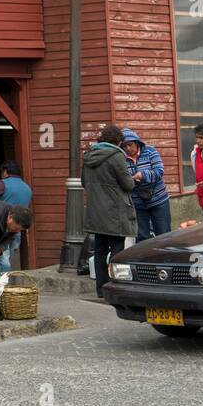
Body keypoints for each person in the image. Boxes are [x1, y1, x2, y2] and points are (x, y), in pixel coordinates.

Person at [83, 124, 136, 298]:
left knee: (99, 251)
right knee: (117, 250)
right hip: (115, 211)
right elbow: (127, 184)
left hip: (96, 210)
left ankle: (101, 289)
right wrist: (133, 179)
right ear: (119, 141)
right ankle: (116, 287)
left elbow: (84, 182)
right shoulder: (117, 156)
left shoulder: (89, 156)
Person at [121, 128, 170, 240]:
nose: (128, 148)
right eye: (124, 146)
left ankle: (164, 257)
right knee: (141, 236)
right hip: (137, 202)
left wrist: (143, 175)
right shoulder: (122, 158)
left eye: (130, 144)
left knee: (163, 234)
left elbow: (159, 171)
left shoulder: (150, 151)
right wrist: (130, 180)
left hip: (158, 199)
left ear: (137, 142)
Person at [0, 161, 32, 271]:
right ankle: (4, 279)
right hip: (17, 229)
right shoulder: (27, 188)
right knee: (9, 256)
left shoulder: (3, 183)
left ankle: (1, 283)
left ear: (5, 172)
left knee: (2, 259)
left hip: (5, 227)